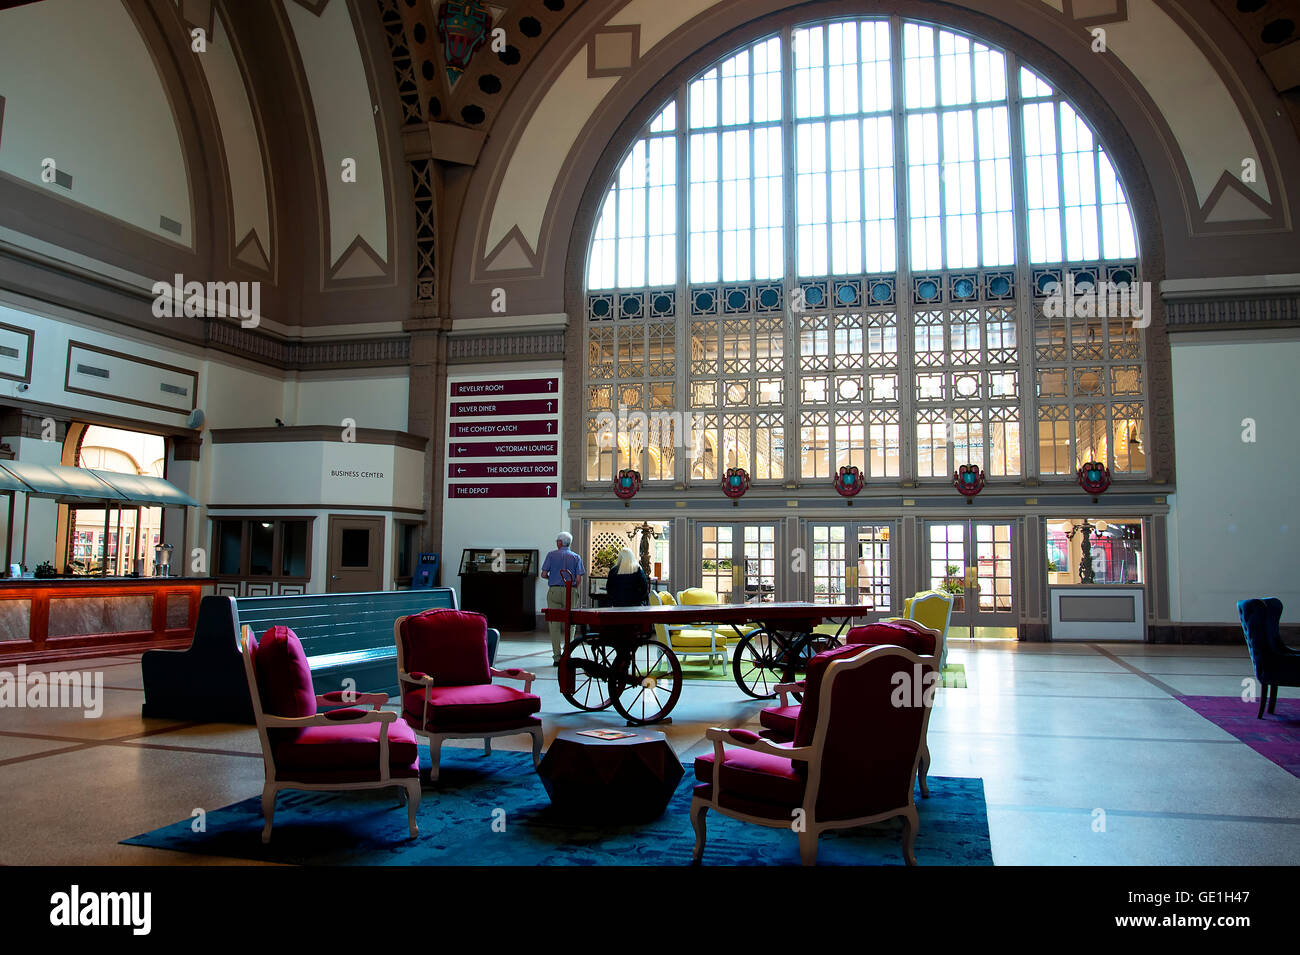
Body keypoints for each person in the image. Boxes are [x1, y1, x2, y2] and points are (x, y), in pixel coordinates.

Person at [540, 531, 584, 665]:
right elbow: (578, 578)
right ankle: (567, 653)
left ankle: (557, 657)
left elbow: (543, 574)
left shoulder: (551, 555)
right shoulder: (576, 557)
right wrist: (572, 587)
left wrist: (552, 578)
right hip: (570, 590)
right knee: (571, 622)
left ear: (560, 542)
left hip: (554, 590)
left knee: (554, 623)